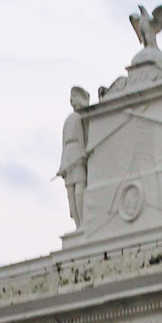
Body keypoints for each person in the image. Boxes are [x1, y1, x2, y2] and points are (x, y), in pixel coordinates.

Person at [59, 86, 90, 224]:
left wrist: (83, 153)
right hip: (70, 154)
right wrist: (62, 165)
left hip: (77, 152)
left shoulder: (80, 117)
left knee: (79, 189)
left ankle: (82, 222)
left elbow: (84, 137)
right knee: (71, 192)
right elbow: (63, 145)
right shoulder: (70, 119)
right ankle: (78, 223)